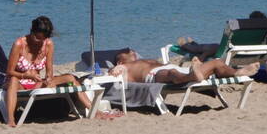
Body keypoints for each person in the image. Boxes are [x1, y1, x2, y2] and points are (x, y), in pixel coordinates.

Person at [3, 16, 91, 128]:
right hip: (18, 83)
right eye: (37, 38)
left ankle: (95, 110)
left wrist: (48, 78)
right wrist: (26, 75)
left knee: (70, 78)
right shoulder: (19, 44)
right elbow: (9, 71)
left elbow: (49, 71)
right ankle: (11, 119)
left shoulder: (48, 44)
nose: (39, 41)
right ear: (31, 31)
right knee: (14, 80)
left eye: (42, 39)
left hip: (36, 83)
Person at [108, 49, 257, 85]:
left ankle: (238, 72)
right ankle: (193, 74)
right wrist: (114, 70)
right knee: (171, 72)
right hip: (155, 76)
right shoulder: (123, 67)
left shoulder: (146, 60)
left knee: (217, 62)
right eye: (127, 53)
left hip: (181, 71)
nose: (132, 52)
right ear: (120, 61)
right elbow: (112, 75)